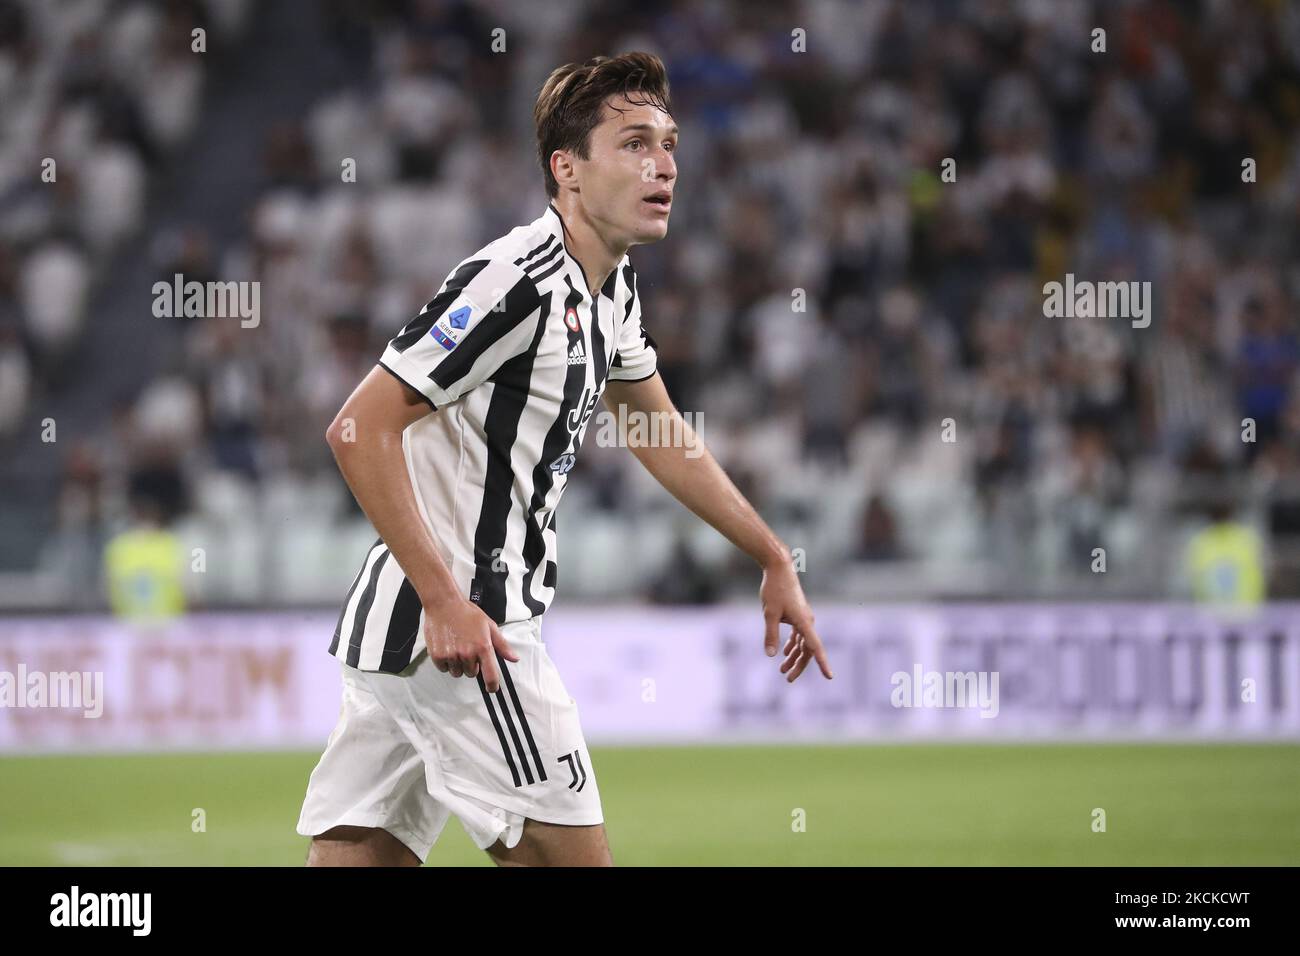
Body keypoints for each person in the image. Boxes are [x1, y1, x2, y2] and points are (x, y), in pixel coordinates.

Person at [296, 52, 831, 868]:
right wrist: (446, 600)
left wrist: (769, 555)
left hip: (408, 637)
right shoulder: (517, 280)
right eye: (634, 144)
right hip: (468, 634)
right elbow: (357, 429)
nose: (664, 165)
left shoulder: (611, 291)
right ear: (567, 168)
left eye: (669, 144)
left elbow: (660, 434)